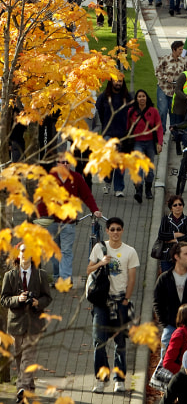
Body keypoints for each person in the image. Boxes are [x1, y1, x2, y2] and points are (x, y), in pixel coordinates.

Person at [87, 216, 139, 393]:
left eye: (118, 229)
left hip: (120, 301)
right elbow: (88, 269)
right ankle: (101, 379)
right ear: (107, 231)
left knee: (120, 342)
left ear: (122, 231)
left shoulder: (130, 251)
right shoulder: (99, 248)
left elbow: (132, 278)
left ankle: (119, 379)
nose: (115, 232)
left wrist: (126, 299)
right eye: (112, 229)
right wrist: (101, 263)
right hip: (101, 302)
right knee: (99, 342)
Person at [37, 149, 102, 282]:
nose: (65, 164)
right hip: (52, 222)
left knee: (66, 251)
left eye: (68, 162)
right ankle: (57, 276)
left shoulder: (76, 178)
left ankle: (65, 279)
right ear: (57, 163)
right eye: (63, 162)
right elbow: (41, 199)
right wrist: (43, 218)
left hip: (68, 222)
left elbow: (87, 195)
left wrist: (94, 209)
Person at [0, 244, 52, 397]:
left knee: (29, 355)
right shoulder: (10, 275)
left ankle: (21, 387)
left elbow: (48, 297)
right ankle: (29, 387)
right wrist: (17, 299)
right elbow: (3, 299)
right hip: (16, 323)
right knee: (19, 356)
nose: (24, 254)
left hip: (34, 323)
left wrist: (37, 302)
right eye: (22, 252)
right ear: (18, 255)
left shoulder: (41, 275)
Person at [153, 242, 187, 359]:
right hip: (171, 327)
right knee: (166, 360)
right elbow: (158, 302)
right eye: (186, 254)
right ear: (176, 257)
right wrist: (165, 323)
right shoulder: (164, 279)